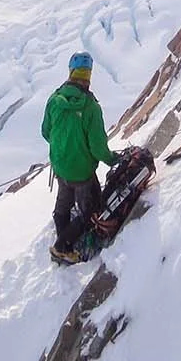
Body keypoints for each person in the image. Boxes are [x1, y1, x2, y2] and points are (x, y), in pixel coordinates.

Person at [41, 51, 117, 263]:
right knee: (89, 212)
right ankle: (62, 246)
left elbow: (46, 131)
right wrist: (112, 159)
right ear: (89, 74)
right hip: (82, 171)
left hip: (60, 165)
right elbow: (98, 147)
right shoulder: (91, 107)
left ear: (71, 71)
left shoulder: (55, 100)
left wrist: (63, 148)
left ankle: (65, 237)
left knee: (63, 205)